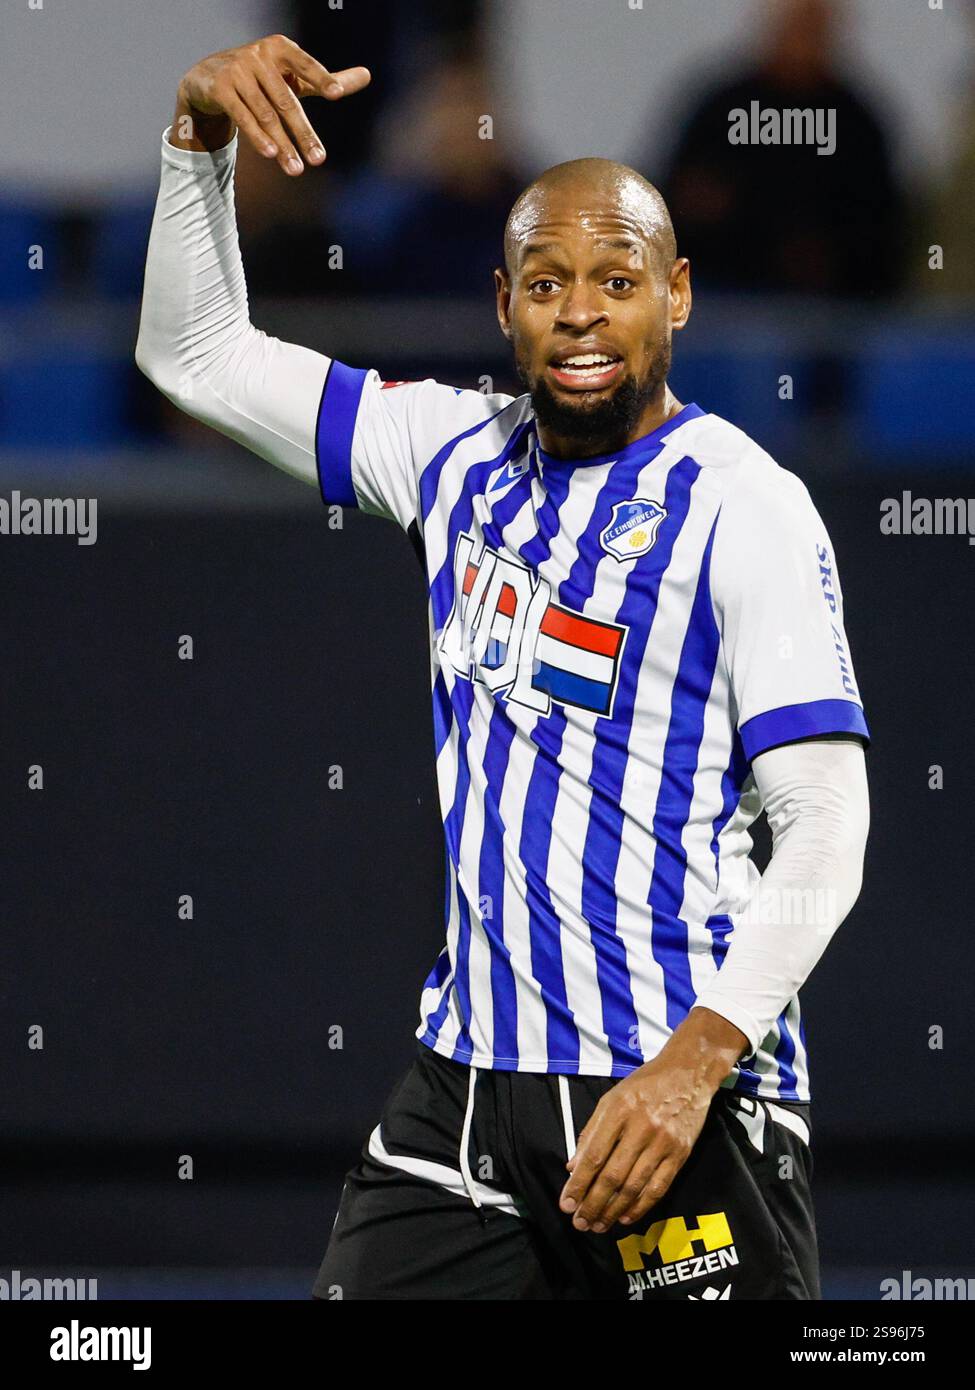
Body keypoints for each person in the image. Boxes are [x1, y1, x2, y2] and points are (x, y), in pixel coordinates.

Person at [135, 32, 870, 1301]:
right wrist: (196, 143)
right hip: (465, 1104)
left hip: (676, 1098)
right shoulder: (449, 452)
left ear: (677, 294)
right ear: (503, 303)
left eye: (617, 278)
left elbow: (828, 828)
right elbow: (194, 357)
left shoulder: (744, 506)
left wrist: (696, 1065)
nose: (580, 310)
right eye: (545, 281)